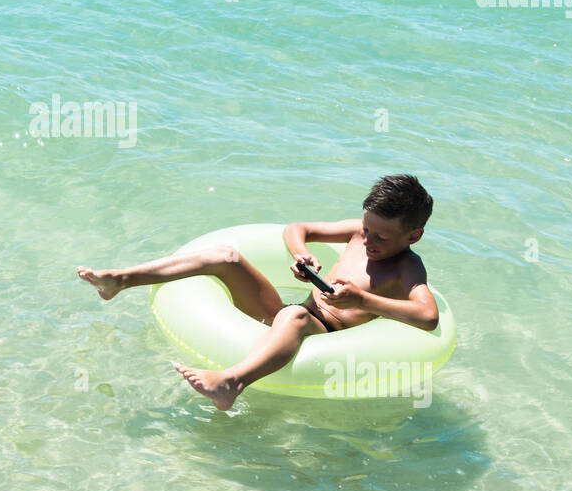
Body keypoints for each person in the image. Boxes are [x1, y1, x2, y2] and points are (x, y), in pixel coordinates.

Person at [77, 174, 440, 410]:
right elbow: (297, 227)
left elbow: (427, 316)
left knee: (294, 315)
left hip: (325, 334)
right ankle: (120, 280)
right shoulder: (358, 233)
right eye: (366, 229)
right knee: (227, 257)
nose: (368, 240)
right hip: (291, 313)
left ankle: (231, 383)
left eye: (381, 236)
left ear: (413, 235)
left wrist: (362, 301)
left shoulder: (407, 267)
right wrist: (301, 254)